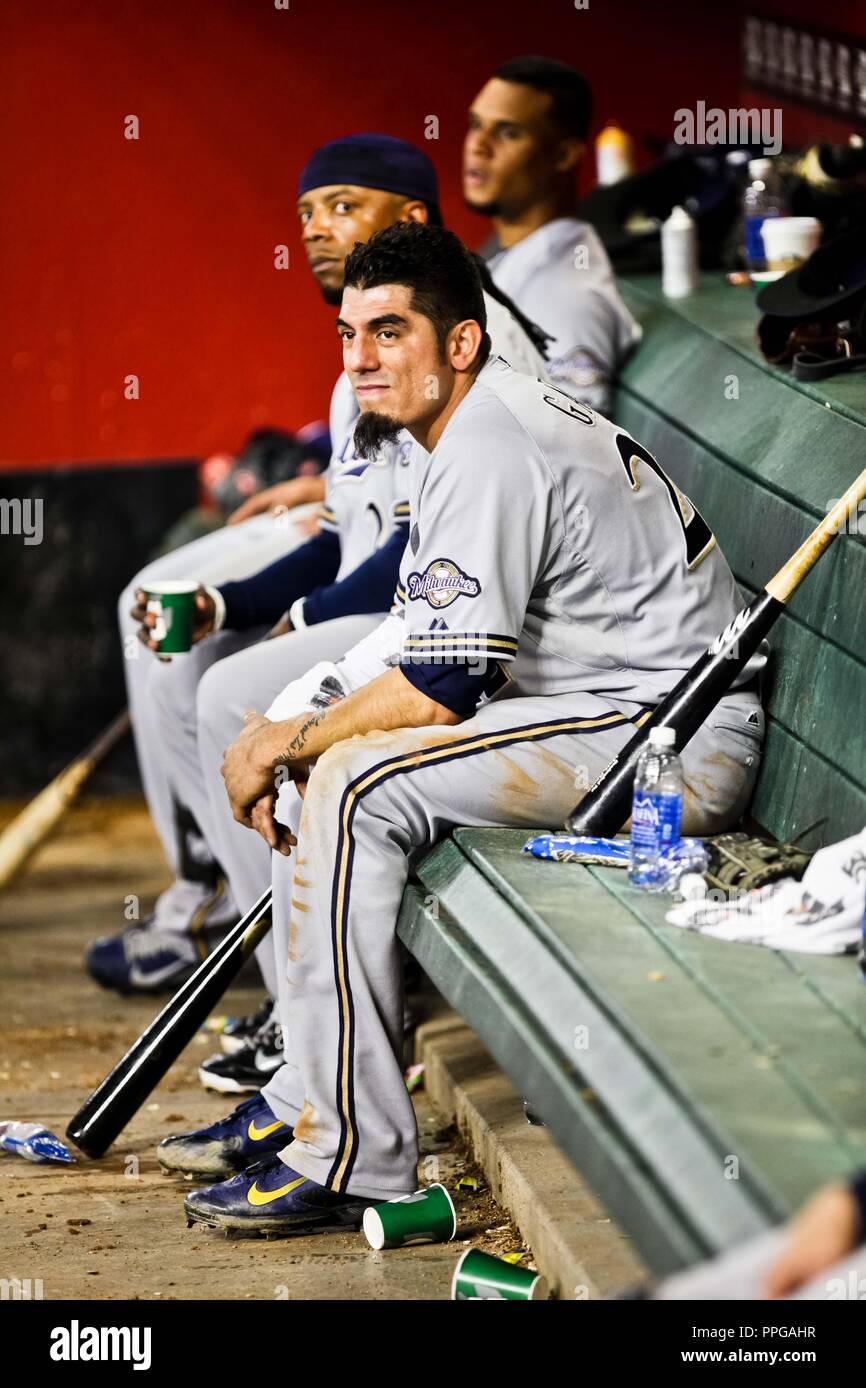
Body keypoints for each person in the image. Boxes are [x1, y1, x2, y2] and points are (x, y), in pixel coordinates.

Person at [156, 222, 765, 1235]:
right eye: (348, 334)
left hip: (668, 739)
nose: (359, 359)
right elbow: (432, 642)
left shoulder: (489, 438)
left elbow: (443, 683)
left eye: (390, 332)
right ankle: (313, 1099)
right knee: (328, 763)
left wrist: (285, 741)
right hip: (606, 708)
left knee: (349, 783)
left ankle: (352, 1152)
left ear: (461, 344)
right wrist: (299, 725)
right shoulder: (470, 427)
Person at [89, 137, 549, 1039]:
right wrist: (229, 607)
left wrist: (296, 619)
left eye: (342, 205)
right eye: (305, 213)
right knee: (196, 648)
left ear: (413, 219)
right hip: (410, 603)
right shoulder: (370, 348)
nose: (314, 230)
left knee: (230, 693)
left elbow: (428, 551)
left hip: (468, 621)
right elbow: (350, 534)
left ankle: (310, 1000)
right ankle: (252, 930)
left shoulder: (466, 345)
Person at [465, 54, 640, 413]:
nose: (478, 146)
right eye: (475, 124)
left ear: (564, 156)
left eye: (507, 132)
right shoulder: (515, 255)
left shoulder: (569, 296)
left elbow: (568, 450)